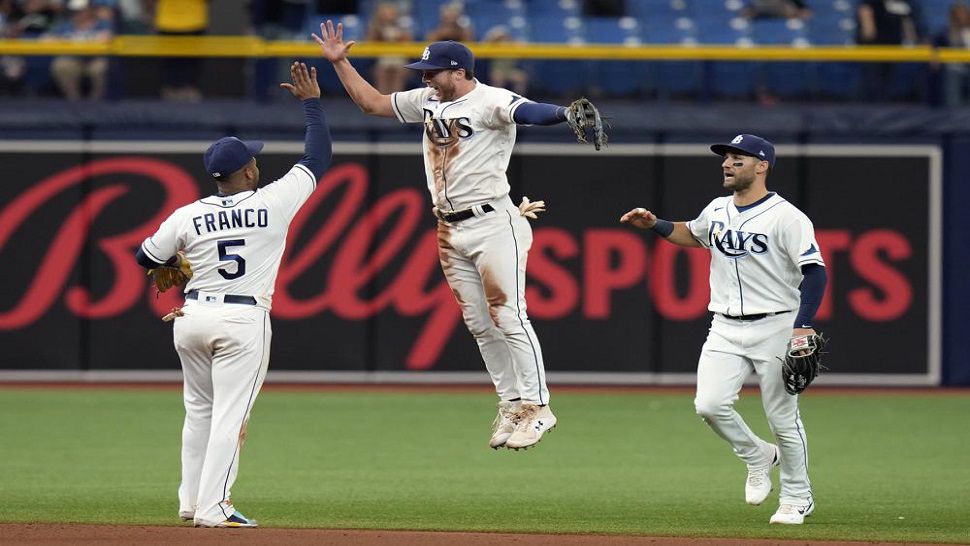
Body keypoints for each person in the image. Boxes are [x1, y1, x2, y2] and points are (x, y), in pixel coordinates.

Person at [314, 21, 602, 450]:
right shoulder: (428, 100)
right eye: (424, 72)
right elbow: (372, 104)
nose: (425, 77)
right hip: (449, 227)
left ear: (460, 71)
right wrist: (340, 63)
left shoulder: (490, 100)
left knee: (509, 315)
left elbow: (528, 111)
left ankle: (540, 407)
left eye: (433, 71)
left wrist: (562, 114)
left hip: (493, 222)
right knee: (480, 325)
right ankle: (512, 404)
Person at [134, 61, 332, 527]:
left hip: (192, 317)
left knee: (198, 413)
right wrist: (312, 105)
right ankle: (214, 507)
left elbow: (145, 258)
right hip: (242, 322)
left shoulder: (187, 214)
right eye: (253, 160)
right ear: (247, 170)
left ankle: (190, 501)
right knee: (229, 416)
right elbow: (317, 156)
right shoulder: (272, 200)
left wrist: (177, 265)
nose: (257, 163)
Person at [620, 134, 827, 525]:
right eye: (726, 158)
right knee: (709, 405)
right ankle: (757, 455)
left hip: (776, 325)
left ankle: (798, 496)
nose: (726, 164)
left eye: (737, 158)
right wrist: (656, 224)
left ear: (761, 166)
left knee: (782, 416)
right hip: (724, 325)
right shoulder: (717, 208)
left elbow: (815, 271)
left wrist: (803, 326)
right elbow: (694, 234)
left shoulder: (787, 216)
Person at [49, 0, 113, 101]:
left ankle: (97, 100)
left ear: (90, 10)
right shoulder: (65, 25)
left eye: (81, 10)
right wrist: (53, 39)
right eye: (75, 10)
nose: (78, 13)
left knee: (102, 67)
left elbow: (112, 38)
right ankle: (74, 99)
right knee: (62, 65)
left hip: (96, 58)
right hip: (73, 58)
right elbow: (48, 38)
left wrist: (108, 38)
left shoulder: (103, 24)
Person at [365, 2, 412, 94]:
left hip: (399, 59)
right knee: (381, 72)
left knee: (399, 72)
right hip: (382, 60)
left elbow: (408, 41)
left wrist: (400, 36)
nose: (388, 16)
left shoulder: (401, 27)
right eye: (385, 13)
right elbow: (370, 42)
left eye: (390, 13)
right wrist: (378, 33)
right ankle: (382, 98)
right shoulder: (375, 28)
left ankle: (396, 100)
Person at [932, 2, 970, 106]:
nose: (961, 17)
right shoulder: (946, 32)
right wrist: (934, 57)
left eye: (964, 14)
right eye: (958, 14)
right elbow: (934, 46)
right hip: (954, 68)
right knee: (952, 78)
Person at [741, 0, 810, 20]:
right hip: (761, 10)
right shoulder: (756, 5)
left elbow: (805, 11)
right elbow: (746, 10)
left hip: (785, 11)